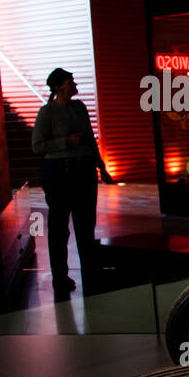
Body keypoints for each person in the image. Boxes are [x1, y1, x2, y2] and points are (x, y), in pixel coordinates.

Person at [31, 67, 114, 296]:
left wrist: (101, 167)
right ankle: (60, 275)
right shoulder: (46, 113)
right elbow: (37, 146)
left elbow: (90, 139)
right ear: (59, 87)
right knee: (59, 228)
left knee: (86, 225)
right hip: (59, 173)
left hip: (84, 172)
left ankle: (90, 271)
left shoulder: (80, 108)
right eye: (70, 81)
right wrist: (65, 141)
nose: (74, 85)